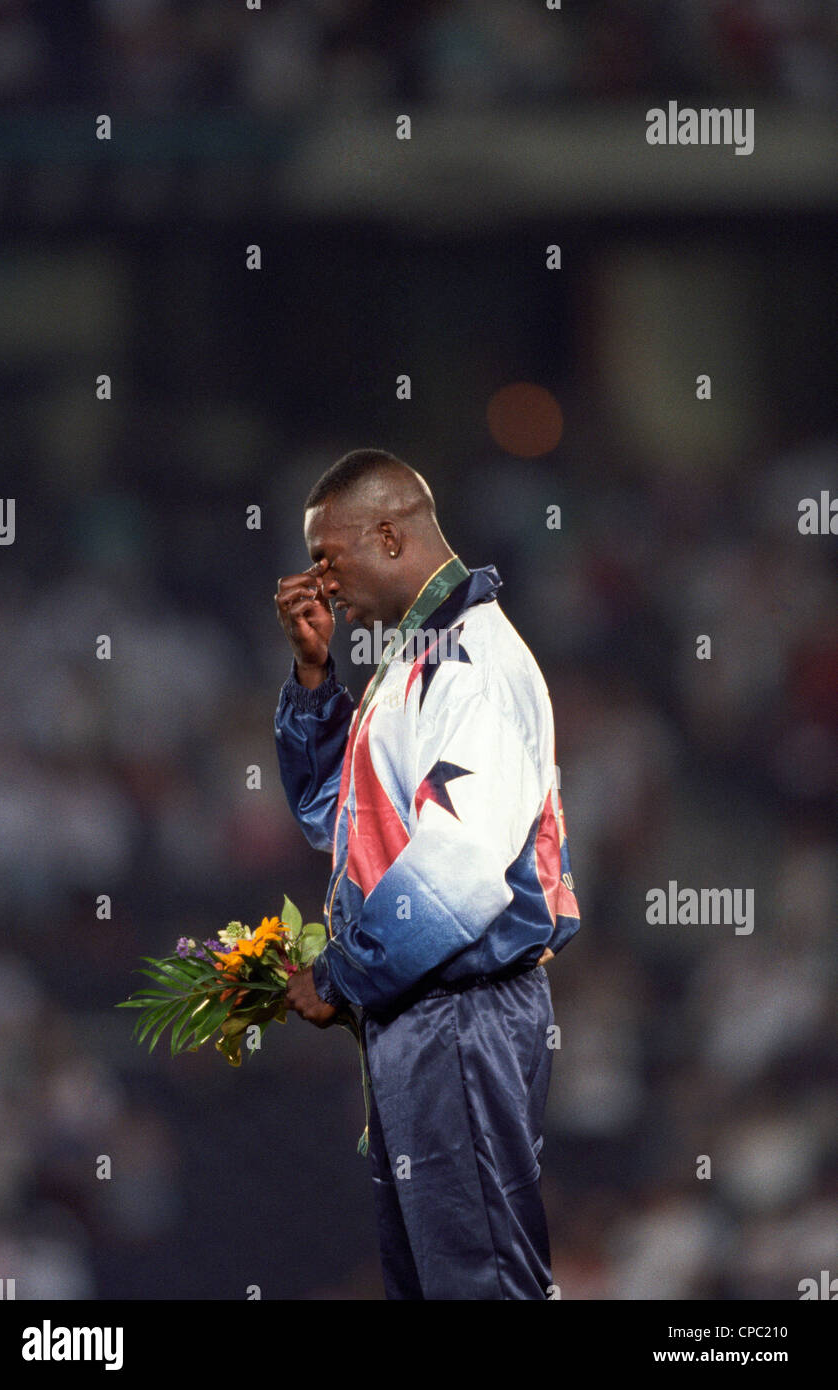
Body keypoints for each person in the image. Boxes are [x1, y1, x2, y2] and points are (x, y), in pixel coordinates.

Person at [274, 448, 580, 1300]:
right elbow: (335, 819)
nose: (321, 582)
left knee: (479, 1280)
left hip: (463, 1009)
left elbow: (462, 868)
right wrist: (312, 681)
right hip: (423, 1006)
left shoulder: (470, 664)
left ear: (390, 535)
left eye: (329, 557)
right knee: (432, 1284)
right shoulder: (415, 662)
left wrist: (343, 969)